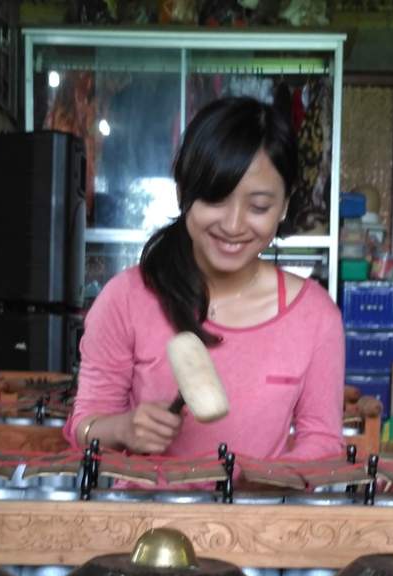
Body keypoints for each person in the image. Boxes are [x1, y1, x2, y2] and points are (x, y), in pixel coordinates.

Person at [66, 96, 344, 461]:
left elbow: (323, 441)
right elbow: (82, 428)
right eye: (215, 199)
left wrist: (257, 484)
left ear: (285, 206)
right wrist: (122, 428)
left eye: (258, 207)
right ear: (184, 193)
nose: (232, 225)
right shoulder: (127, 298)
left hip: (257, 516)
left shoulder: (315, 317)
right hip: (146, 517)